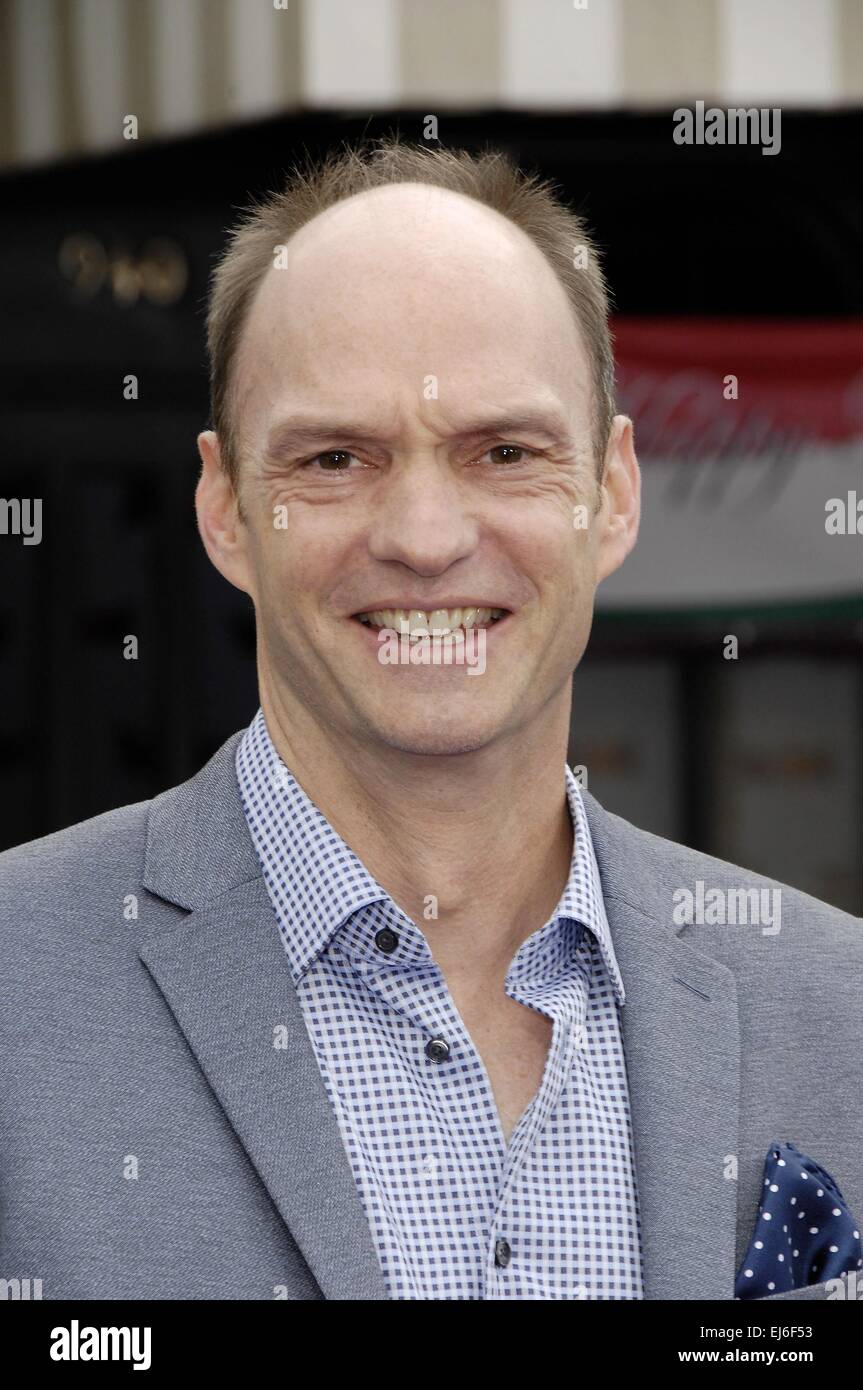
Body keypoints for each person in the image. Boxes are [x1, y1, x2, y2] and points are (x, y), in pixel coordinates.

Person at [1, 138, 861, 1302]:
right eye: (335, 457)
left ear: (608, 494)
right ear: (223, 509)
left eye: (503, 451)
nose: (421, 535)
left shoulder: (835, 1006)